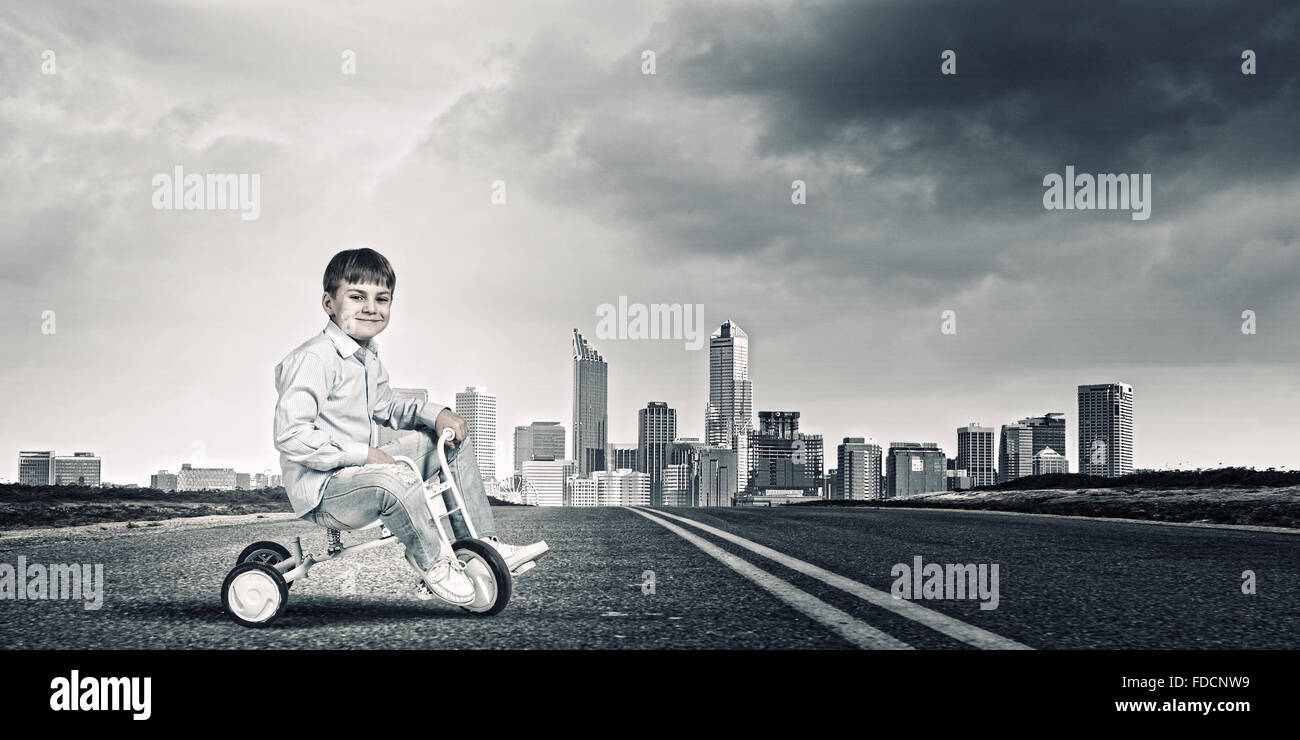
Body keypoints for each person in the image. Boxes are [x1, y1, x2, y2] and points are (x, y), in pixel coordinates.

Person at [273, 248, 548, 605]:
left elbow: (387, 405)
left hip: (361, 472)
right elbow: (292, 436)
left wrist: (436, 415)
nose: (371, 307)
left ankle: (482, 547)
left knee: (448, 442)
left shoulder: (367, 355)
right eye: (357, 297)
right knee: (393, 480)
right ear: (329, 303)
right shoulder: (313, 359)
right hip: (325, 490)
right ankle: (435, 564)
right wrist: (365, 454)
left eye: (381, 299)